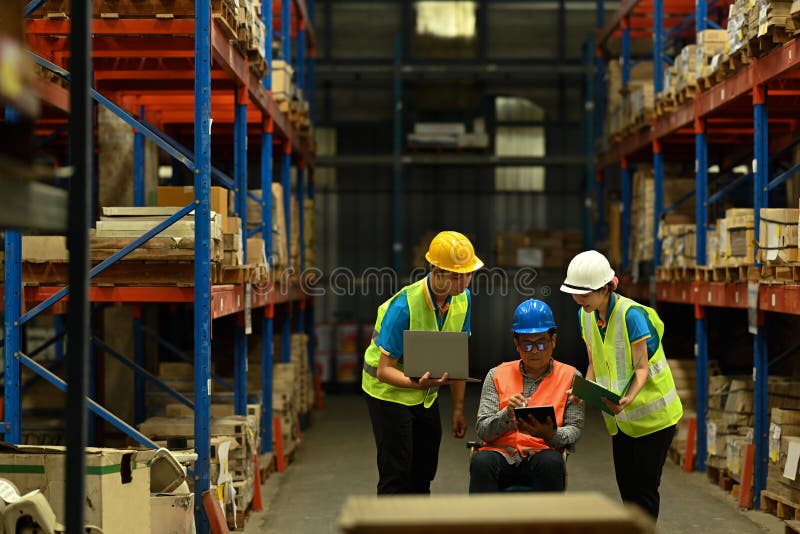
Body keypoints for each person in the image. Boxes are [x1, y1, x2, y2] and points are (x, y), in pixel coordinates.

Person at [560, 250, 683, 519]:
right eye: (575, 294)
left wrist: (628, 399)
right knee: (627, 491)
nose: (579, 300)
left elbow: (642, 368)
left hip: (655, 418)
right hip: (620, 420)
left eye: (585, 294)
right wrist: (583, 388)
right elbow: (594, 363)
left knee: (644, 492)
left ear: (606, 288)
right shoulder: (586, 316)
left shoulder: (632, 316)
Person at [362, 230, 483, 494]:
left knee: (424, 470)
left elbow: (457, 356)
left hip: (423, 394)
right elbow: (383, 371)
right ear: (436, 272)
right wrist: (414, 384)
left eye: (468, 274)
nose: (463, 283)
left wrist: (459, 408)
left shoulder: (463, 299)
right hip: (388, 393)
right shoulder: (404, 307)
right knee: (397, 472)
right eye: (456, 276)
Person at [469, 299, 584, 493]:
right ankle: (484, 523)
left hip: (542, 453)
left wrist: (551, 435)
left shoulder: (572, 377)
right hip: (501, 453)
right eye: (527, 346)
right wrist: (507, 415)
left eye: (541, 343)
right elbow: (482, 429)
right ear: (516, 344)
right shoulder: (496, 374)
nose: (535, 352)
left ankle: (545, 523)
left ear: (553, 340)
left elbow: (575, 428)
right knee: (482, 461)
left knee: (551, 462)